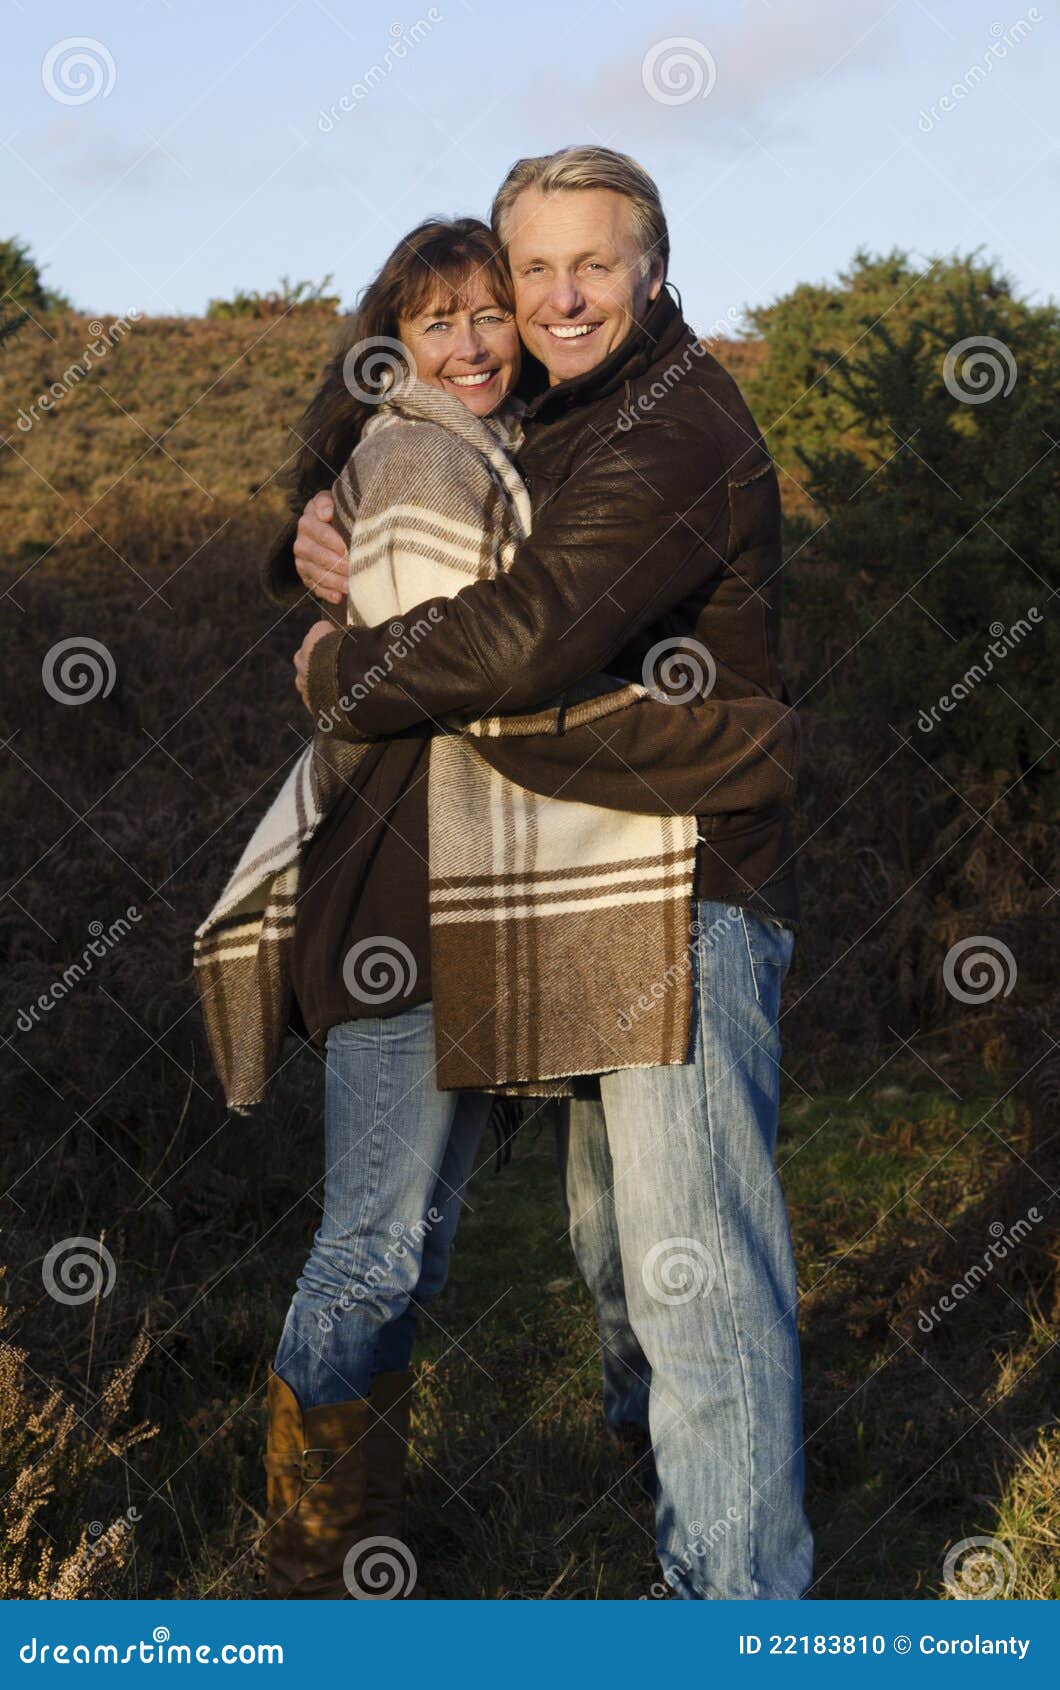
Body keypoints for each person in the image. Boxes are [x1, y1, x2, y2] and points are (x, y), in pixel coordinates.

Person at [287, 146, 814, 1600]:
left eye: (595, 263)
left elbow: (519, 636)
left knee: (697, 1275)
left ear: (651, 266)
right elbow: (435, 518)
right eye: (536, 271)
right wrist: (316, 541)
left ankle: (738, 1608)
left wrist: (337, 665)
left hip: (688, 882)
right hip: (602, 886)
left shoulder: (670, 422)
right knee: (621, 1262)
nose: (560, 296)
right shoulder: (561, 420)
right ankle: (667, 1547)